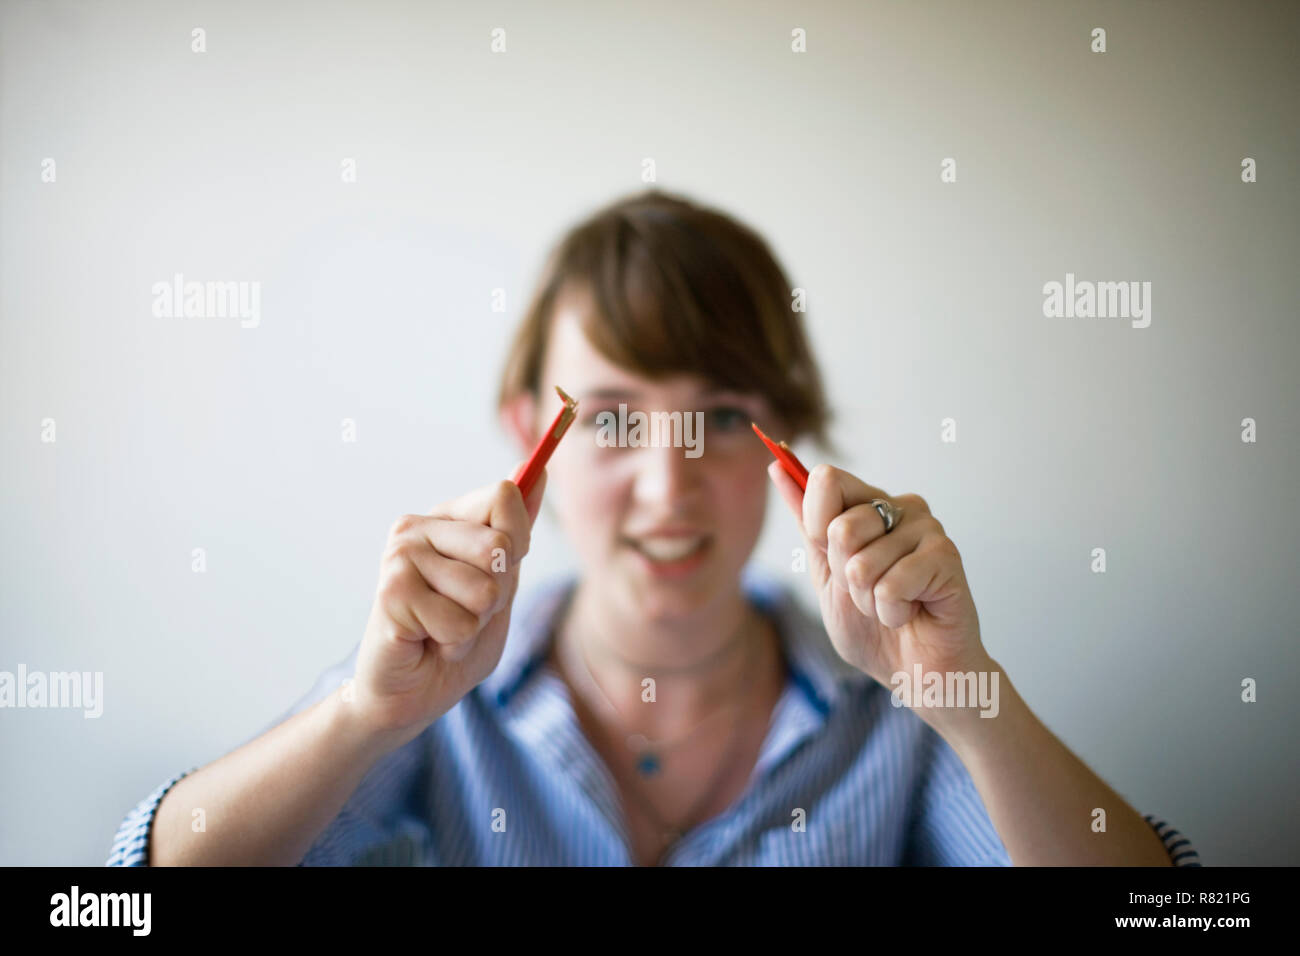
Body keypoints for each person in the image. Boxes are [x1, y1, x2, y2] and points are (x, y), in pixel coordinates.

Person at [108, 190, 1200, 867]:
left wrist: (966, 690)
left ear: (790, 441)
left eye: (723, 416)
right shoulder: (428, 696)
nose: (668, 489)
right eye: (614, 418)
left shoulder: (898, 723)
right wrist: (358, 717)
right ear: (526, 431)